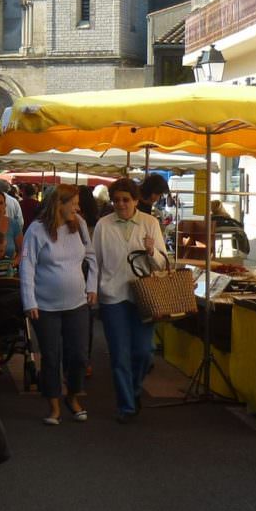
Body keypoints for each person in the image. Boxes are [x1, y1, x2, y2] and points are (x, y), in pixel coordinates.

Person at [20, 183, 96, 426]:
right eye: (73, 203)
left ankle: (72, 396)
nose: (78, 206)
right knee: (51, 356)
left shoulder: (80, 225)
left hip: (77, 303)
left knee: (79, 356)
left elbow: (92, 257)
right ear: (58, 204)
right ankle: (53, 404)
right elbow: (27, 265)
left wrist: (92, 286)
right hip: (44, 305)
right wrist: (29, 300)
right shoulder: (37, 230)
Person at [92, 177, 166, 422]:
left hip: (143, 295)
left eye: (126, 199)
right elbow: (95, 262)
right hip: (113, 295)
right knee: (119, 353)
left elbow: (164, 263)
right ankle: (126, 405)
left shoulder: (150, 223)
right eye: (116, 200)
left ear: (136, 200)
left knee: (145, 351)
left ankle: (134, 389)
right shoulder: (103, 225)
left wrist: (152, 251)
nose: (121, 204)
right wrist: (93, 291)